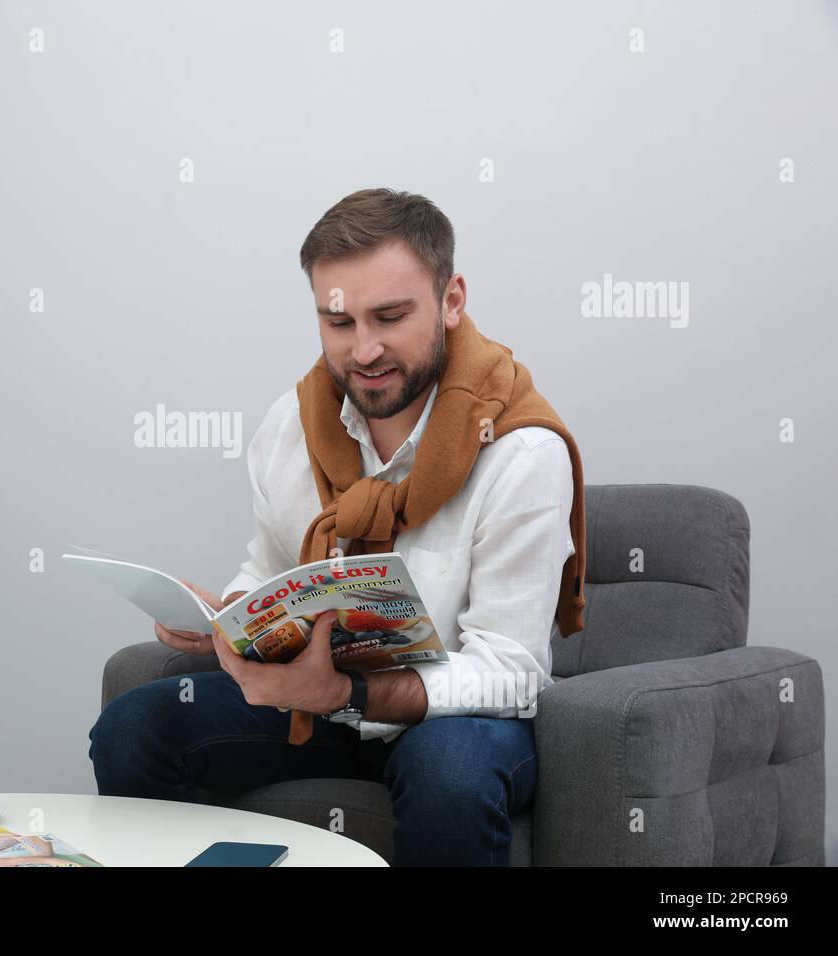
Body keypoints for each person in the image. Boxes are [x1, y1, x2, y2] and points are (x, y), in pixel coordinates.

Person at [88, 188, 582, 866]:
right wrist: (223, 617)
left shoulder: (522, 454)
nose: (365, 349)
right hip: (319, 705)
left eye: (391, 316)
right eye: (340, 322)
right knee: (134, 727)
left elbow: (513, 673)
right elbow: (268, 569)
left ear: (451, 300)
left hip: (457, 719)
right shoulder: (291, 427)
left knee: (448, 775)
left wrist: (350, 692)